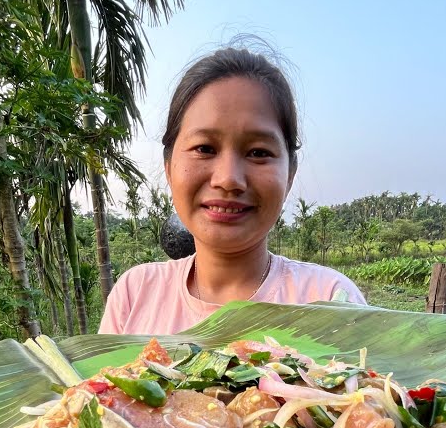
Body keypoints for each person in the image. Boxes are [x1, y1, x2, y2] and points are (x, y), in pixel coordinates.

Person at [99, 46, 366, 335]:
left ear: (290, 174)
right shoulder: (136, 294)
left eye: (258, 152)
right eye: (204, 148)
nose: (228, 179)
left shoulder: (331, 301)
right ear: (169, 167)